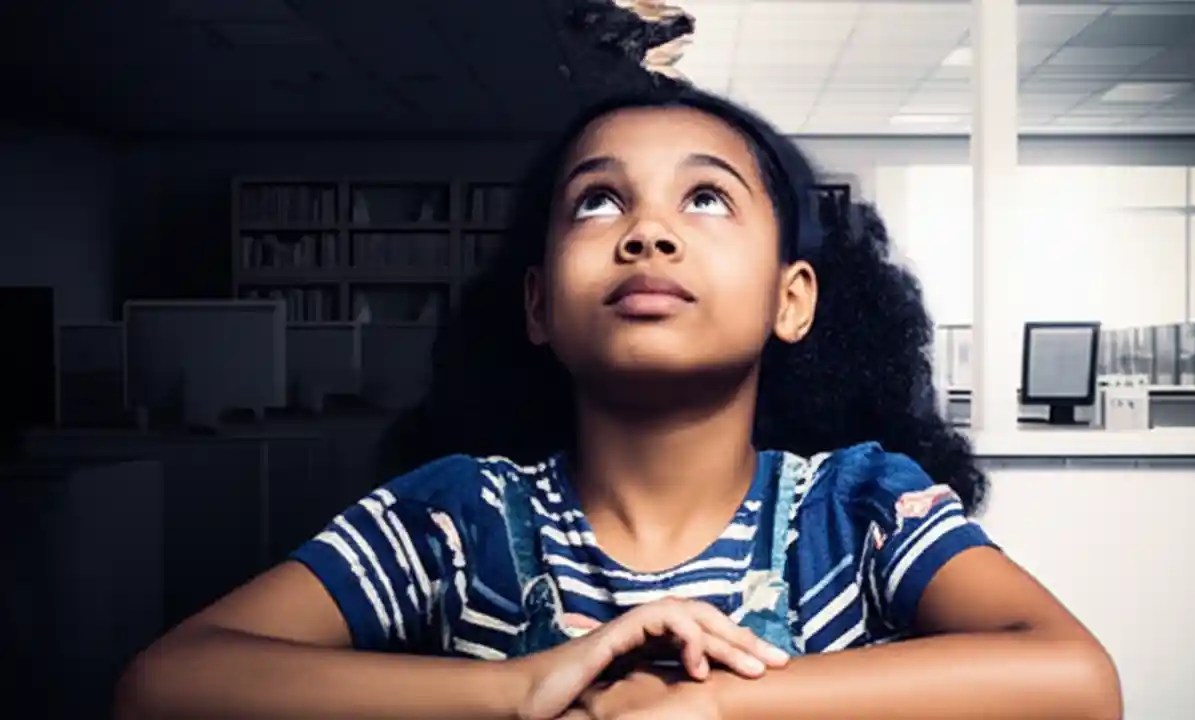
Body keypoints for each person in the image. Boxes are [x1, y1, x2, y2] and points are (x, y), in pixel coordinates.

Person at [114, 85, 1122, 720]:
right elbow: (166, 686)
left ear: (790, 298)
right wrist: (519, 688)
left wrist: (713, 710)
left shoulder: (856, 507)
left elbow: (1074, 684)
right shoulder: (453, 518)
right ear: (540, 304)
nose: (645, 233)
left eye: (705, 198)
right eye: (598, 202)